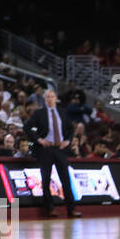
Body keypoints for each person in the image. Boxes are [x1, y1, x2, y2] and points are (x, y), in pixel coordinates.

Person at [23, 89, 82, 218]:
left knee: (66, 179)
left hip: (60, 148)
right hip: (46, 149)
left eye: (52, 96)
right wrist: (38, 140)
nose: (50, 99)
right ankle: (50, 208)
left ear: (56, 98)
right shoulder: (39, 113)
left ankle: (71, 209)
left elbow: (71, 128)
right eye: (47, 97)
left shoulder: (62, 112)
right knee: (46, 179)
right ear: (45, 99)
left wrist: (68, 140)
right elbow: (27, 127)